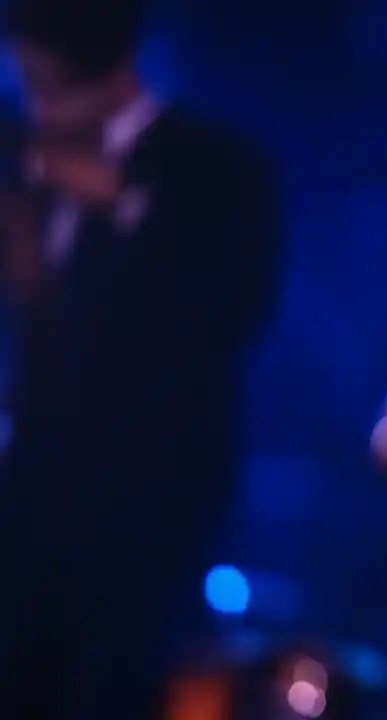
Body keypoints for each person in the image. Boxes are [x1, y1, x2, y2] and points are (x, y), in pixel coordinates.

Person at [0, 0, 282, 717]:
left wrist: (119, 204)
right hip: (29, 506)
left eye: (45, 80)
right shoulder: (22, 168)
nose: (37, 102)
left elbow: (229, 314)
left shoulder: (217, 167)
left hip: (148, 512)